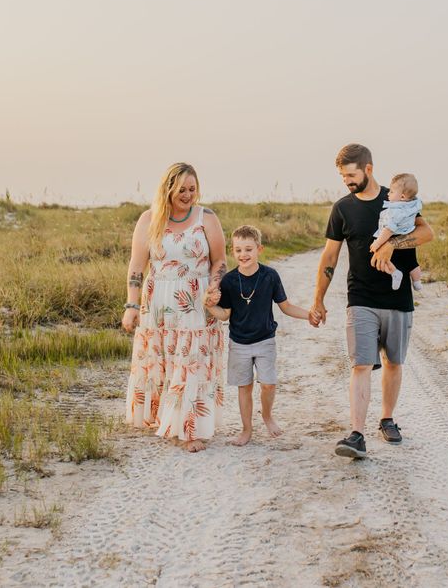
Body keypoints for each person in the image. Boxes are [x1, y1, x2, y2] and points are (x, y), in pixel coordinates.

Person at [310, 144, 434, 459]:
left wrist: (392, 244)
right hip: (360, 297)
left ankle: (387, 419)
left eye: (351, 175)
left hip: (397, 296)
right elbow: (330, 255)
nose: (347, 181)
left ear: (368, 169)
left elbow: (426, 233)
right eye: (342, 176)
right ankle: (356, 434)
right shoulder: (342, 208)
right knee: (361, 364)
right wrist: (318, 299)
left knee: (394, 362)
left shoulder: (395, 198)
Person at [122, 162, 227, 453]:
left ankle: (188, 428)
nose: (188, 195)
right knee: (163, 359)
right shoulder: (149, 219)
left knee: (190, 362)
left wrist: (215, 286)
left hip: (195, 303)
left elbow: (219, 260)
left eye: (192, 189)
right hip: (157, 302)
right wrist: (131, 305)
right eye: (182, 189)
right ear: (168, 189)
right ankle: (162, 418)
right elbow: (137, 266)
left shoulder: (207, 218)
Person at [204, 225, 317, 446]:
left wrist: (309, 315)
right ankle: (247, 429)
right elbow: (225, 315)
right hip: (239, 343)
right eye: (238, 250)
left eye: (248, 249)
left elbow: (286, 306)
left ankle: (267, 415)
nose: (243, 255)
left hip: (265, 340)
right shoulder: (228, 281)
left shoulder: (270, 276)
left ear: (259, 249)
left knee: (268, 384)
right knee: (244, 387)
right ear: (233, 251)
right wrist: (209, 307)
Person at [369, 172, 424, 291]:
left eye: (392, 192)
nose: (388, 193)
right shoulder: (414, 204)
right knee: (412, 262)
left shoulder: (394, 212)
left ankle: (395, 272)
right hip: (408, 234)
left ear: (402, 197)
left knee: (380, 255)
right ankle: (417, 281)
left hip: (395, 234)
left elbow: (388, 230)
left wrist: (377, 243)